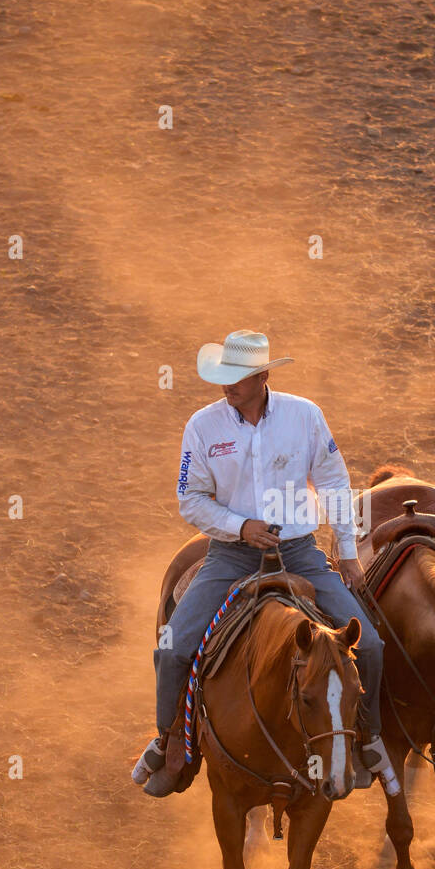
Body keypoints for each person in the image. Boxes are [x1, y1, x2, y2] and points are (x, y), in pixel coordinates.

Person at [135, 329, 399, 797]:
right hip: (230, 556)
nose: (225, 386)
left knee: (372, 645)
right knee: (174, 647)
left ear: (261, 377)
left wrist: (343, 554)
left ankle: (368, 739)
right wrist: (240, 528)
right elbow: (189, 499)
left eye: (235, 378)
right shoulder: (203, 426)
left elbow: (335, 484)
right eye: (222, 378)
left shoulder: (305, 416)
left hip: (299, 550)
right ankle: (168, 739)